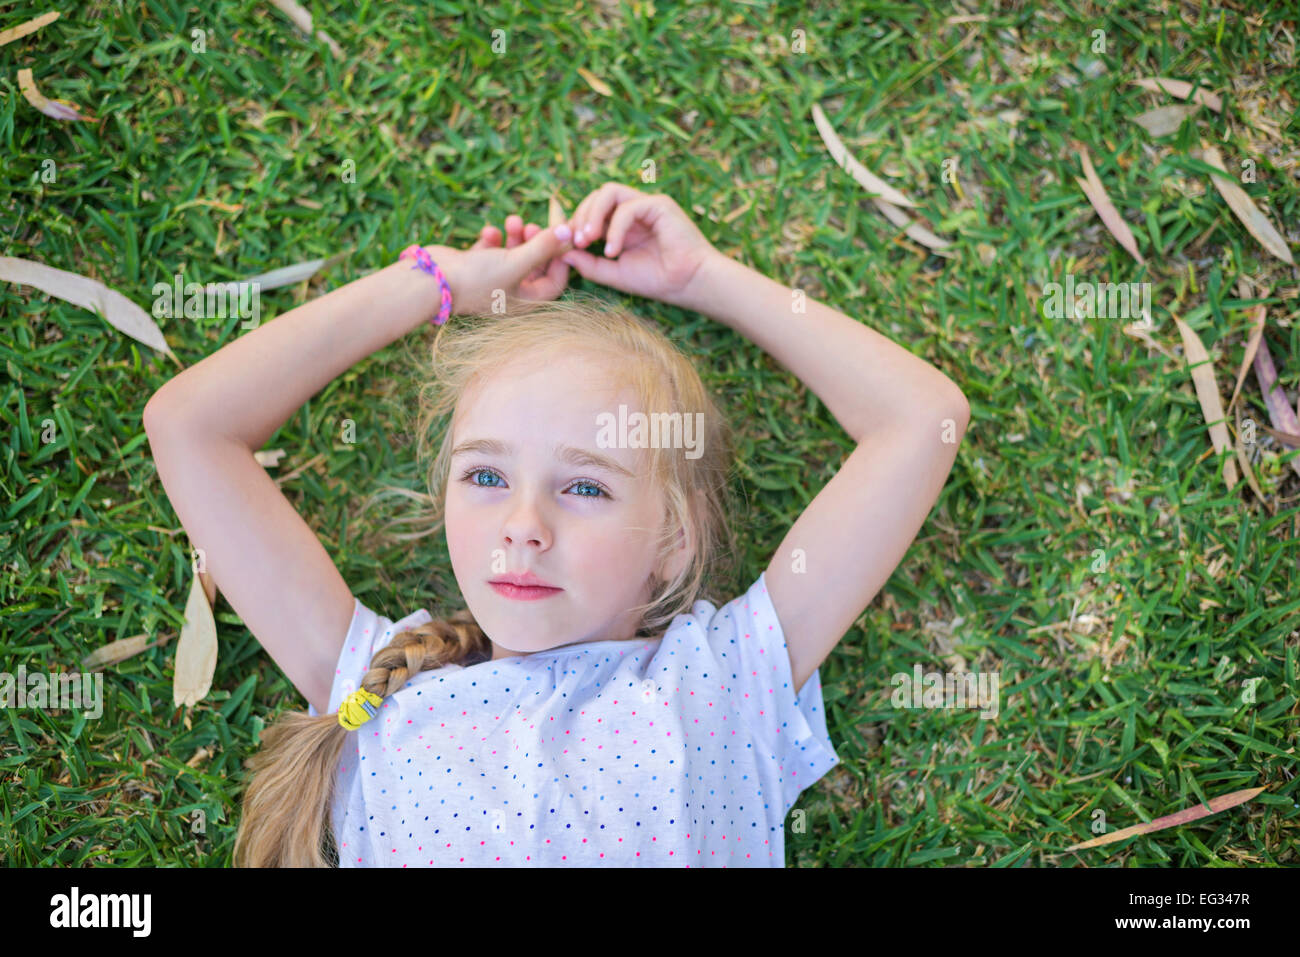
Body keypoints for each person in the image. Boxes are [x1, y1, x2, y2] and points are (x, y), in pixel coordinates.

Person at [144, 182, 970, 867]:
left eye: (584, 486)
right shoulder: (379, 693)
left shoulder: (725, 681)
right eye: (487, 475)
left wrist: (703, 277)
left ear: (674, 537)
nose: (525, 524)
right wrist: (440, 285)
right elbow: (188, 426)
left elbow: (921, 417)